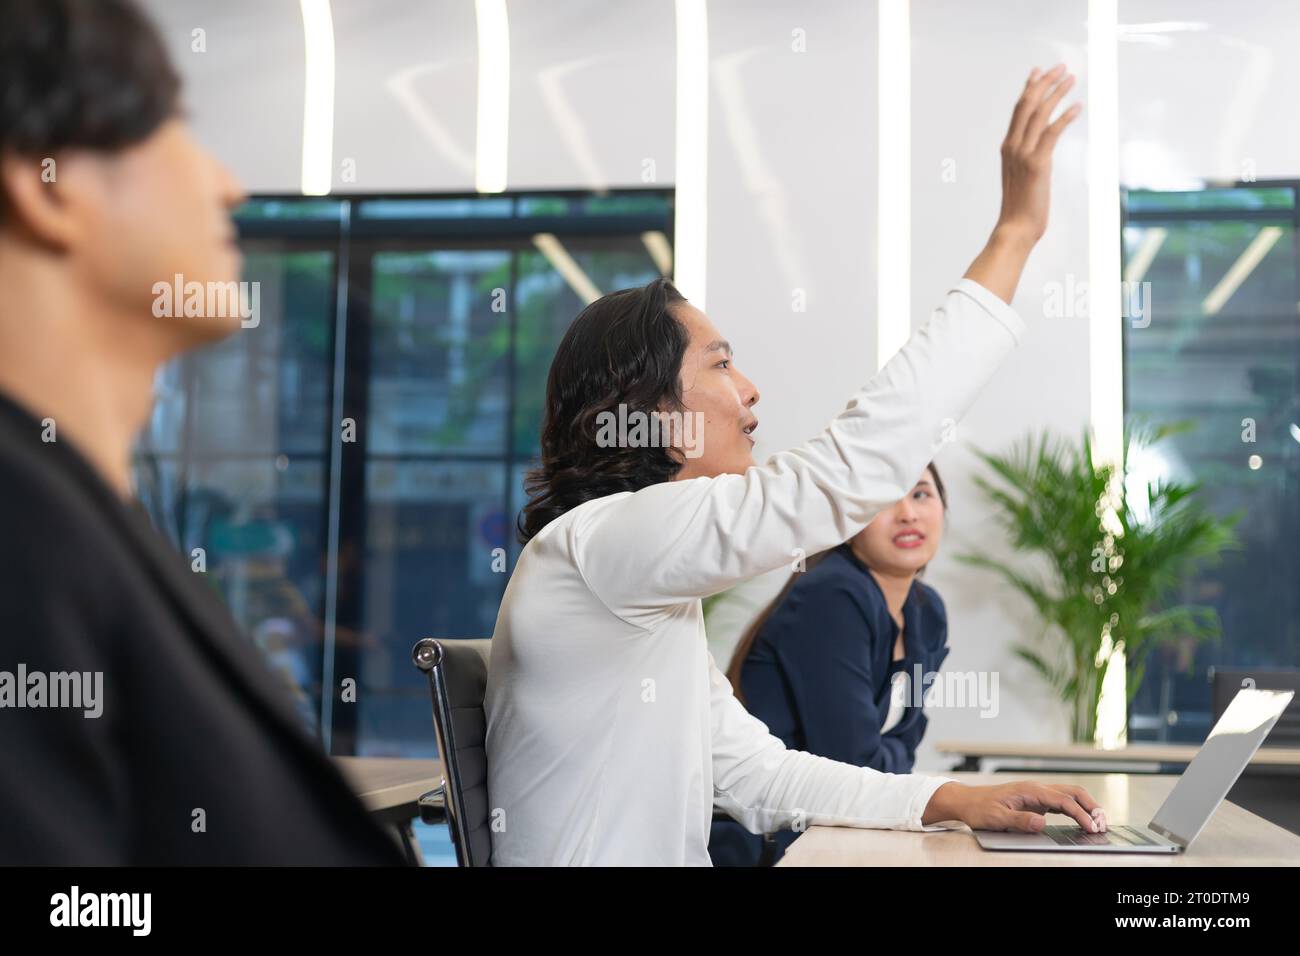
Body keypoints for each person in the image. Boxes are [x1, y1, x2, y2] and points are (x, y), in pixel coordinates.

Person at [484, 64, 1108, 866]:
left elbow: (757, 772)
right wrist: (1015, 234)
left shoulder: (635, 583)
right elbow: (841, 476)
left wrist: (951, 799)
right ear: (653, 411)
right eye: (720, 365)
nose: (750, 390)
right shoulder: (601, 545)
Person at [0, 0, 404, 864]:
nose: (228, 184)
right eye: (176, 126)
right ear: (52, 184)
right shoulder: (21, 529)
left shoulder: (77, 514)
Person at [710, 465, 951, 865]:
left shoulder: (927, 612)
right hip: (767, 844)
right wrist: (888, 762)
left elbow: (901, 747)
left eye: (921, 494)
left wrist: (886, 762)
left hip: (842, 832)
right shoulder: (833, 594)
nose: (907, 512)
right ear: (849, 516)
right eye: (883, 498)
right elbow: (854, 765)